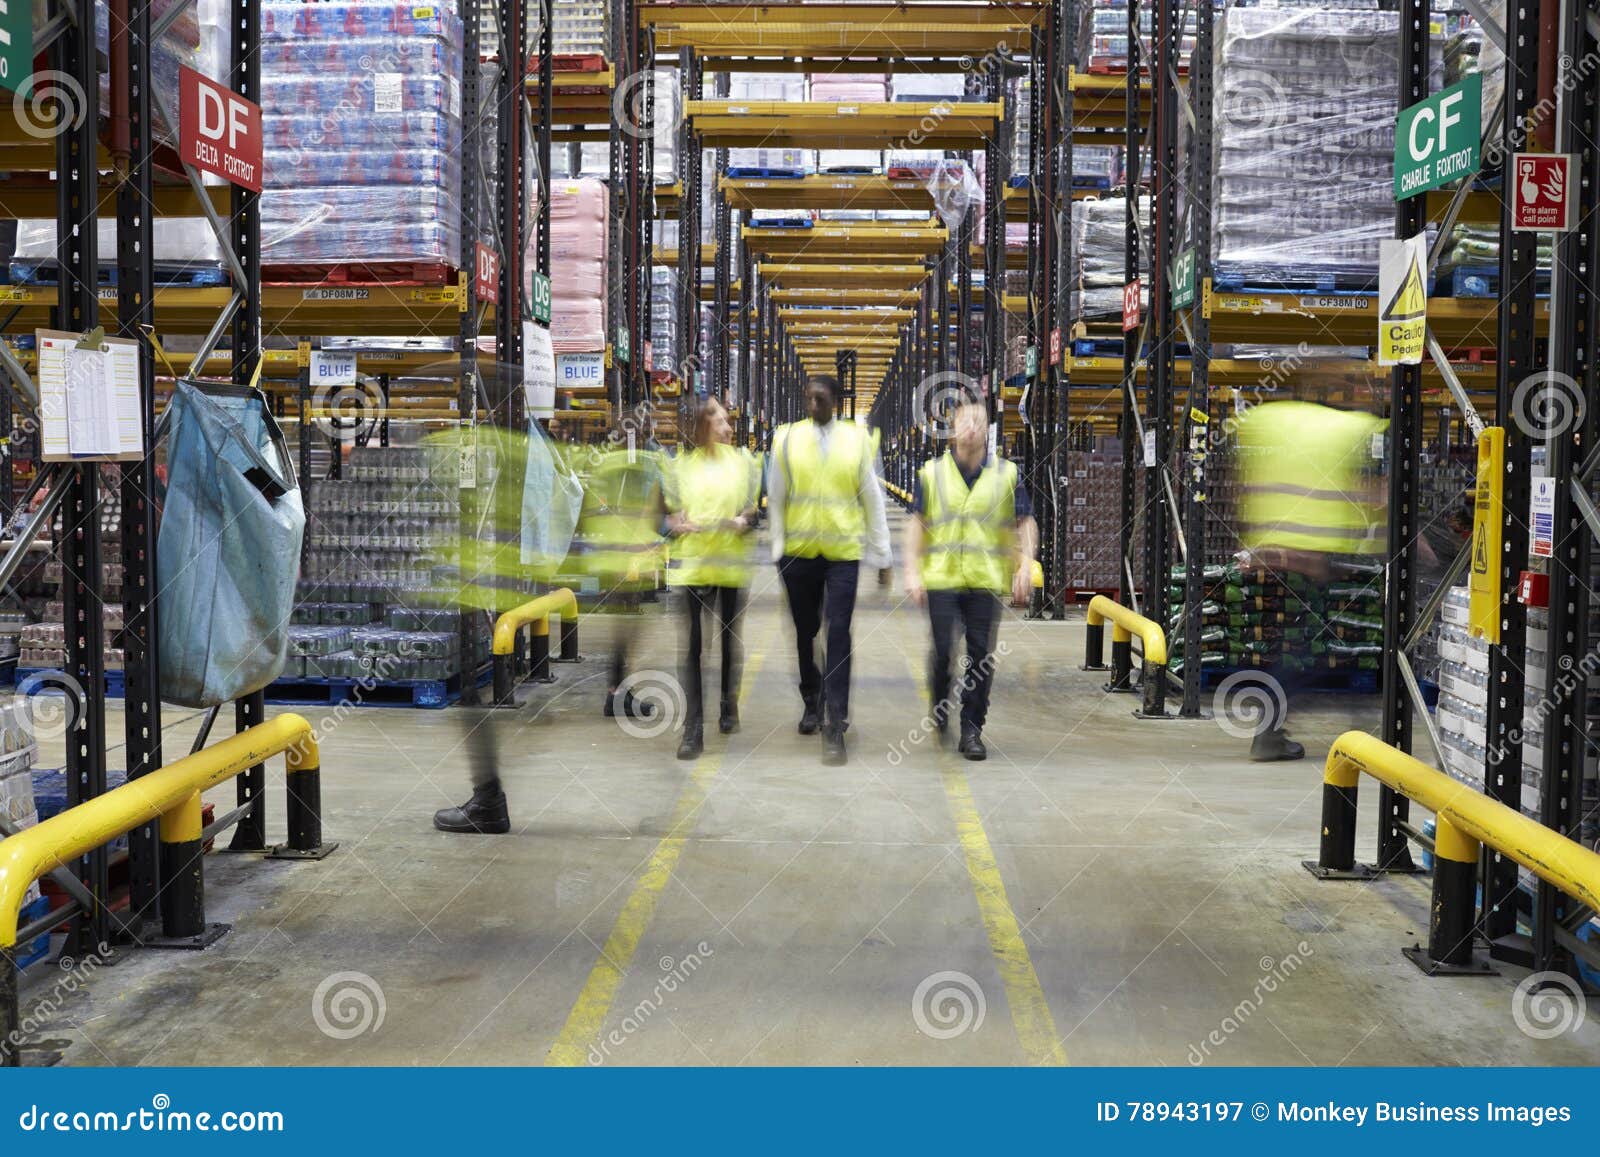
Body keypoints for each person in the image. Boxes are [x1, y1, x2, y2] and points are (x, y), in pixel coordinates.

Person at [1235, 398, 1386, 762]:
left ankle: (1270, 726)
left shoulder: (1271, 420)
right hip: (1309, 560)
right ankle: (1269, 733)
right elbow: (1370, 490)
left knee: (1290, 648)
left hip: (1270, 555)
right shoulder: (1345, 427)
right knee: (1306, 653)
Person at [902, 399, 1036, 761]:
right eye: (966, 420)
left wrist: (1026, 563)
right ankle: (939, 701)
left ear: (988, 430)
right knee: (944, 649)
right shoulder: (931, 473)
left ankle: (972, 729)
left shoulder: (1006, 474)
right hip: (942, 579)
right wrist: (912, 570)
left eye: (980, 420)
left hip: (985, 581)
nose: (973, 427)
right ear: (954, 428)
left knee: (980, 657)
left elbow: (1024, 521)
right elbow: (918, 523)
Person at [768, 374, 892, 765]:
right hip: (797, 555)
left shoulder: (857, 440)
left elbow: (872, 498)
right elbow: (777, 494)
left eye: (821, 399)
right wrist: (776, 546)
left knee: (838, 632)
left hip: (842, 554)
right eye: (809, 398)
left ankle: (835, 720)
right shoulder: (786, 438)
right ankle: (811, 700)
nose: (813, 405)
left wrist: (883, 554)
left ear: (835, 402)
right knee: (806, 632)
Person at [665, 397, 761, 760]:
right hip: (693, 566)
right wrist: (676, 524)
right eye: (721, 421)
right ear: (703, 426)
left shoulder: (744, 463)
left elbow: (754, 510)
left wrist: (743, 521)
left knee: (728, 643)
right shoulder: (679, 468)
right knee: (691, 650)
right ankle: (692, 730)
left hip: (732, 566)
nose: (728, 427)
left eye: (727, 421)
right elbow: (669, 517)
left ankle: (728, 704)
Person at [580, 433, 667, 720]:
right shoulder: (625, 469)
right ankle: (616, 695)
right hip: (623, 561)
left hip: (623, 559)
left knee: (627, 631)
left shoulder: (614, 466)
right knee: (625, 632)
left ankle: (617, 693)